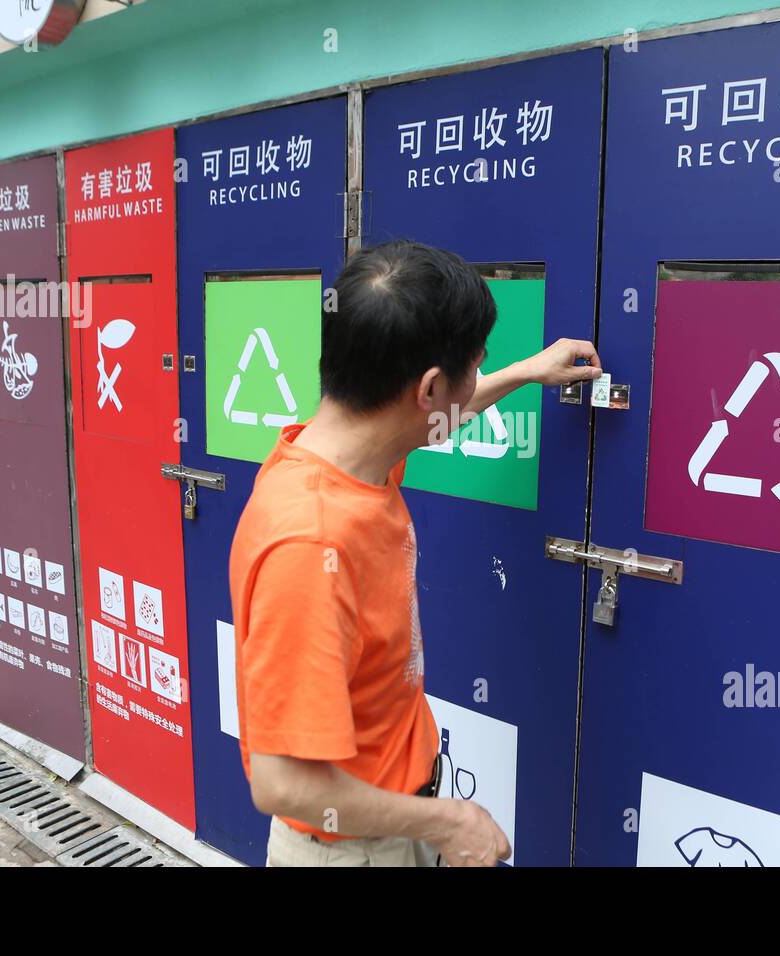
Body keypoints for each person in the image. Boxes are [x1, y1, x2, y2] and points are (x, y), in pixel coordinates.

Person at [229, 239, 601, 867]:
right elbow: (282, 782)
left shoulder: (348, 453)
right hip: (353, 850)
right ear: (428, 387)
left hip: (387, 825)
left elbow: (436, 419)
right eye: (475, 367)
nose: (479, 376)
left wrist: (528, 371)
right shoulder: (311, 544)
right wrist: (451, 820)